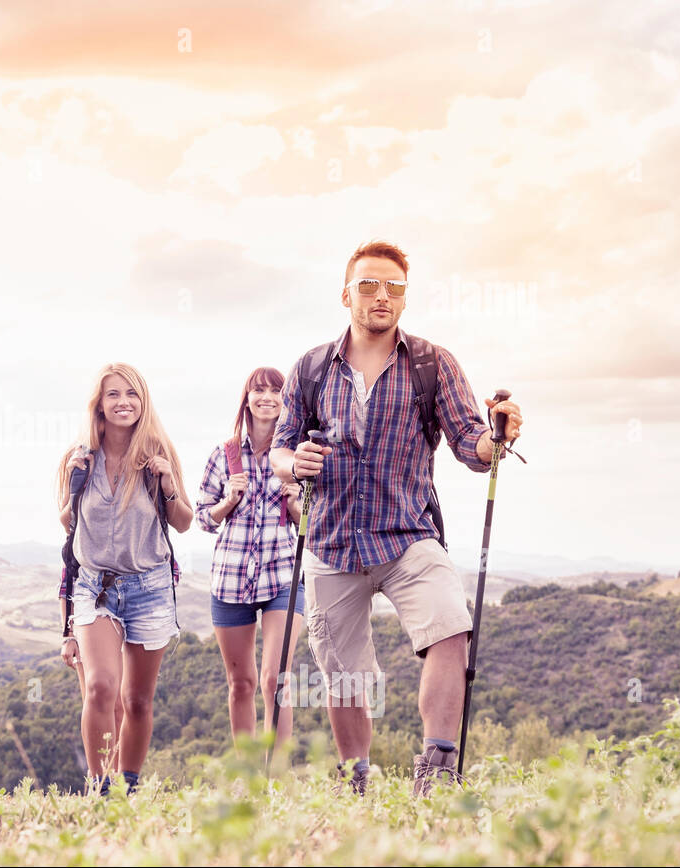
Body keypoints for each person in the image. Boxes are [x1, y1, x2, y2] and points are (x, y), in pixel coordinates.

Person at [270, 240, 523, 796]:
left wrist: (495, 439)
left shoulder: (432, 363)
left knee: (450, 627)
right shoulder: (312, 368)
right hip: (332, 541)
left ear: (404, 299)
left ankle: (435, 770)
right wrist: (295, 463)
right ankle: (356, 778)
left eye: (394, 287)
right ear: (346, 295)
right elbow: (279, 450)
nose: (381, 296)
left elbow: (468, 441)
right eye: (368, 285)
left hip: (408, 533)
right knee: (345, 673)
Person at [57, 363, 193, 795]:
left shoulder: (159, 454)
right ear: (99, 404)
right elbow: (66, 522)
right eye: (113, 395)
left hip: (149, 587)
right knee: (99, 686)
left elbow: (184, 521)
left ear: (143, 401)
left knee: (137, 700)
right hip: (95, 587)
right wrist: (73, 482)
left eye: (131, 394)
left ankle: (128, 786)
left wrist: (168, 482)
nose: (123, 403)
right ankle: (101, 787)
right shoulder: (78, 458)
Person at [195, 368, 304, 751]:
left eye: (276, 391)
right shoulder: (224, 455)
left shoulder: (295, 457)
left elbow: (315, 522)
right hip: (230, 579)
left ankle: (276, 774)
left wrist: (295, 503)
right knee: (241, 683)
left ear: (286, 401)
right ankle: (245, 773)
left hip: (282, 578)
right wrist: (227, 502)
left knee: (277, 677)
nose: (267, 397)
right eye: (259, 390)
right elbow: (202, 518)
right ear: (247, 399)